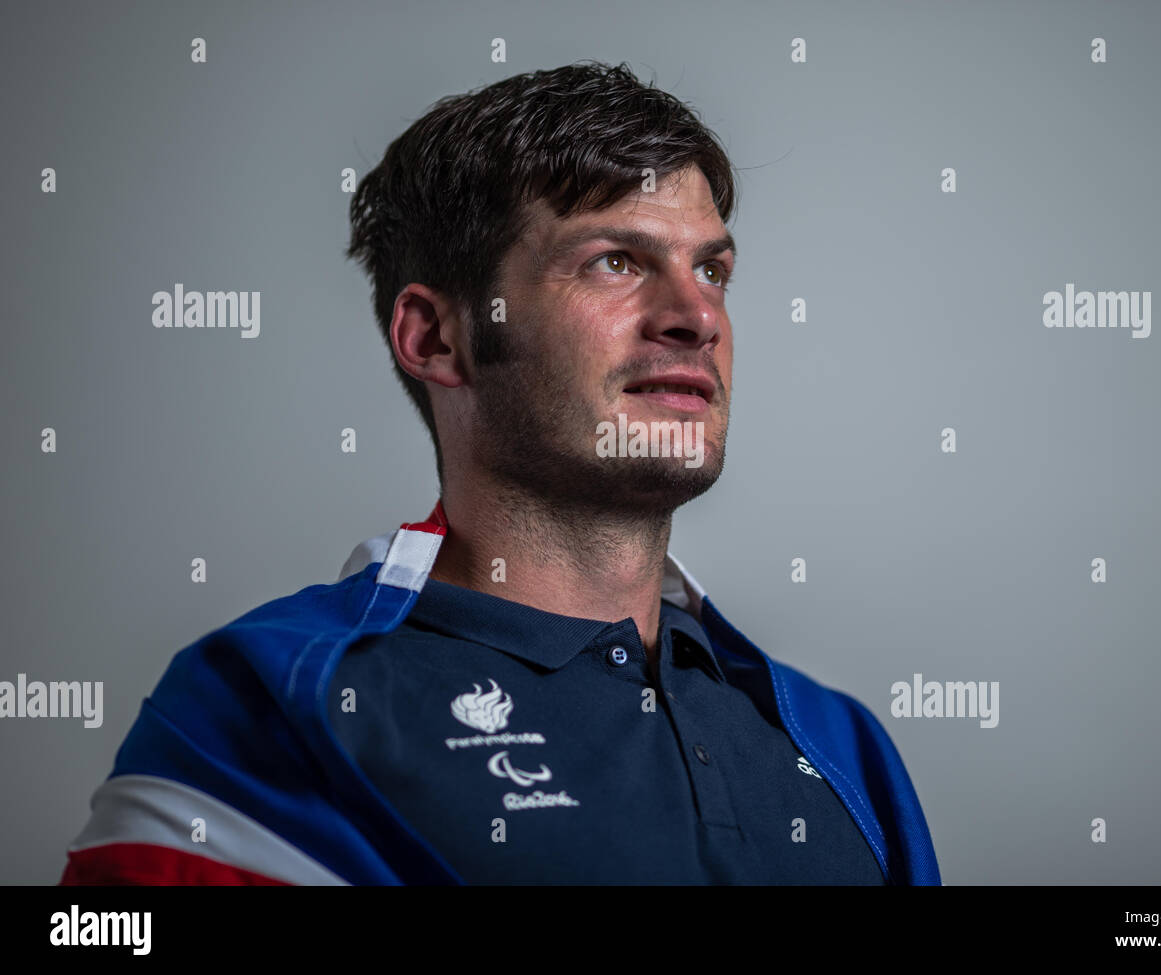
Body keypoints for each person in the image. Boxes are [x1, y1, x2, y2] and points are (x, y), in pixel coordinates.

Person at [59, 61, 940, 885]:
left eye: (712, 269)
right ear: (438, 338)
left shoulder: (841, 746)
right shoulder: (273, 702)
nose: (695, 315)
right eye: (616, 262)